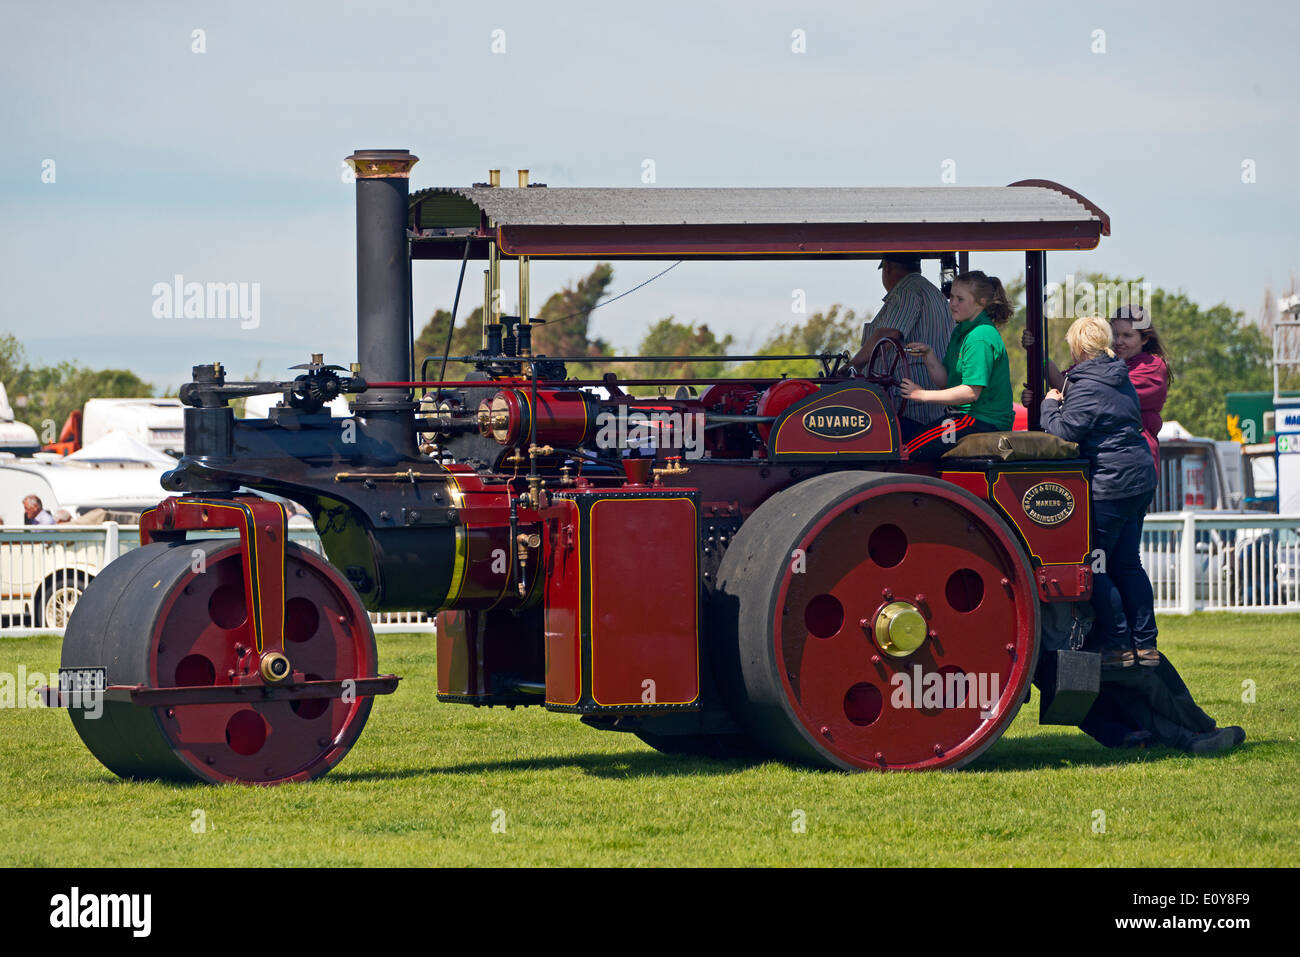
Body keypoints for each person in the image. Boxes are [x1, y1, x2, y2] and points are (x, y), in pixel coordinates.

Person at [1039, 316, 1159, 668]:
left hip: (1110, 484)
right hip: (1139, 478)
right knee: (1128, 563)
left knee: (1096, 564)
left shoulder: (1087, 384)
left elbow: (1064, 432)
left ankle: (1118, 645)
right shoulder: (1119, 377)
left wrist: (1050, 402)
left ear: (1077, 347)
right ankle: (1147, 646)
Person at [1023, 304, 1171, 472]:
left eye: (1127, 336)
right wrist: (1041, 395)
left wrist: (1049, 398)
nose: (1119, 341)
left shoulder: (1151, 367)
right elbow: (1065, 383)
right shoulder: (1107, 364)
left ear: (1144, 339)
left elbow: (1088, 395)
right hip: (1101, 459)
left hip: (1129, 463)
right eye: (1115, 334)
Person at [898, 270, 1014, 460]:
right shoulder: (962, 331)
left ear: (981, 302)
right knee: (903, 433)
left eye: (960, 299)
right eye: (951, 297)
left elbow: (970, 392)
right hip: (965, 418)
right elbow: (945, 382)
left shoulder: (980, 336)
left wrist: (921, 395)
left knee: (906, 450)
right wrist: (929, 356)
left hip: (982, 421)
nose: (952, 304)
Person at [847, 253, 952, 431]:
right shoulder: (936, 295)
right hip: (933, 410)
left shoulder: (907, 291)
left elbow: (888, 335)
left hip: (908, 412)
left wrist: (852, 366)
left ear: (886, 267)